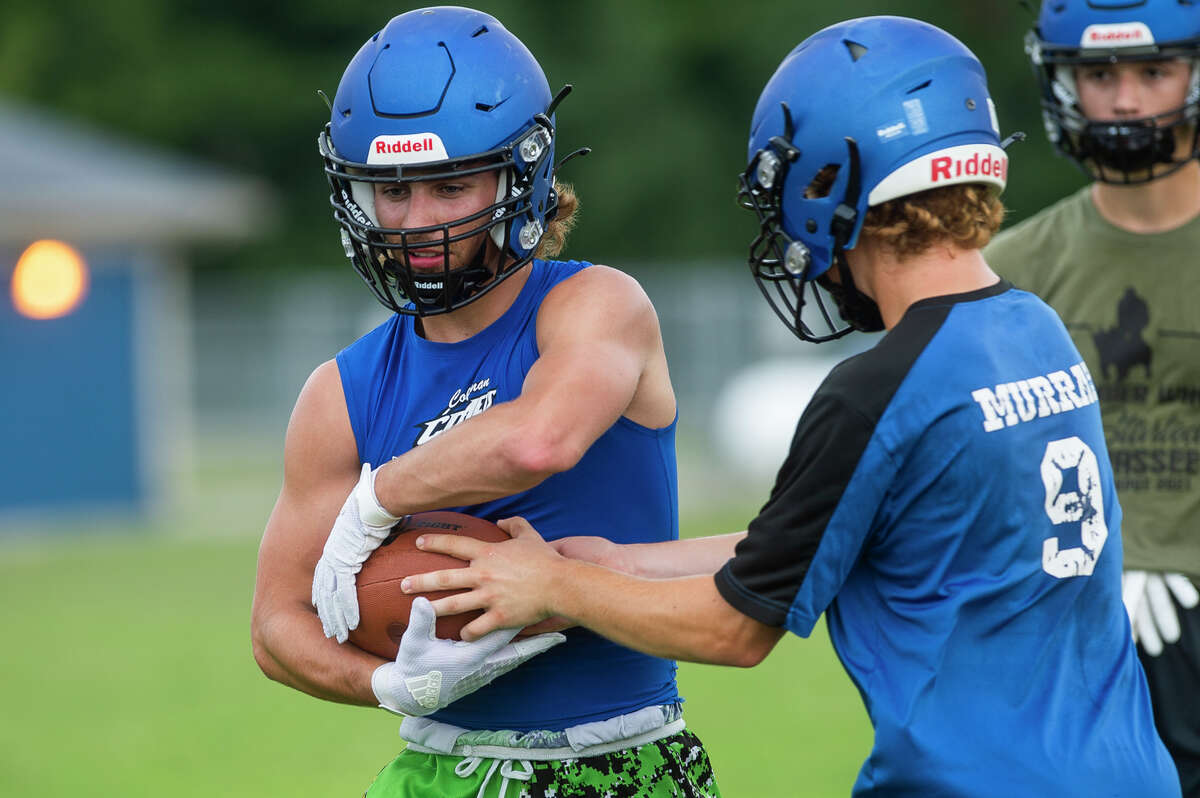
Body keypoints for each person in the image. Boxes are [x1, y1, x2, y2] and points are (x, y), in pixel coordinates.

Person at [402, 16, 1183, 796]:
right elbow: (829, 537)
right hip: (1129, 772)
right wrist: (619, 564)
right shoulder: (1033, 327)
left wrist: (555, 587)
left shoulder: (880, 391)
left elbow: (734, 629)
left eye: (796, 188)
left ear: (837, 188)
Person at [249, 7, 721, 797]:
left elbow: (540, 440)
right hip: (436, 768)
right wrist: (387, 685)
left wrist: (377, 497)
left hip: (622, 762)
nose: (417, 222)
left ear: (521, 176)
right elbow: (275, 626)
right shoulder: (340, 391)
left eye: (450, 186)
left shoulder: (597, 305)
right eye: (390, 190)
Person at [984, 2, 1200, 793]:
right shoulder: (1012, 270)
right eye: (1100, 74)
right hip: (1065, 616)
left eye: (1155, 70)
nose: (1126, 99)